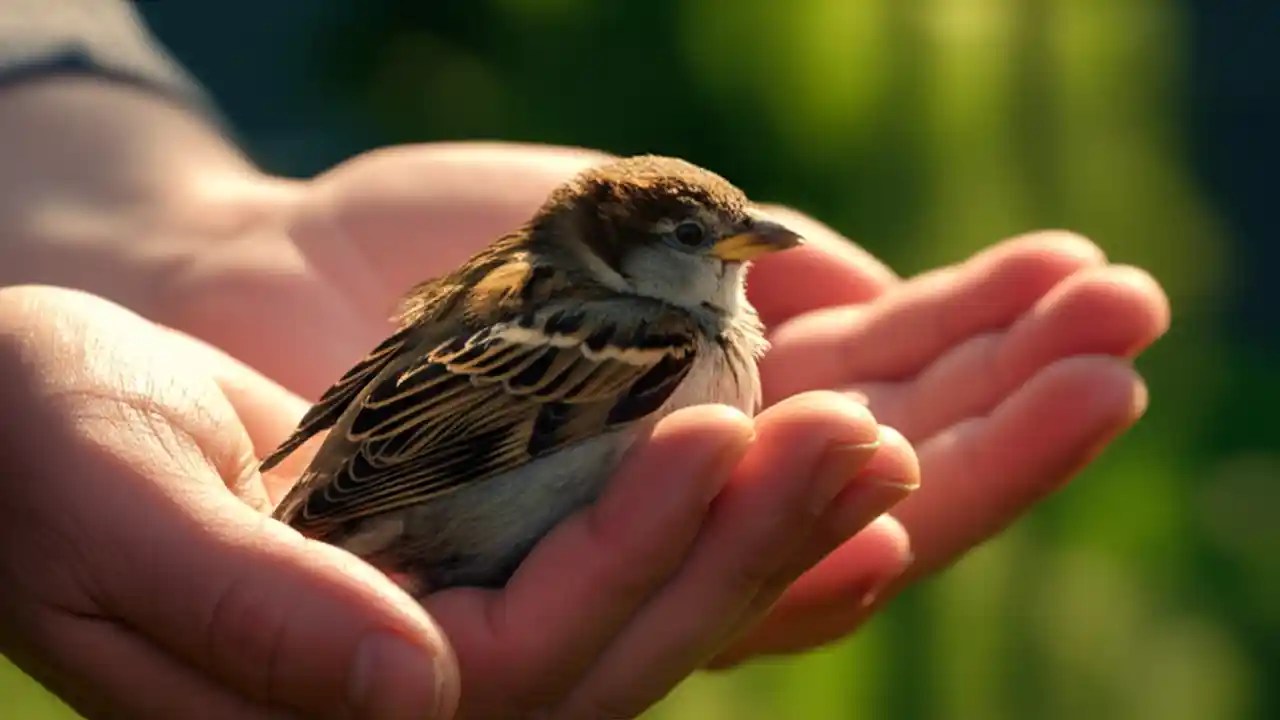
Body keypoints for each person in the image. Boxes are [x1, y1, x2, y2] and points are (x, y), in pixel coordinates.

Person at [0, 2, 1171, 718]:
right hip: (439, 487)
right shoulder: (646, 335)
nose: (737, 260)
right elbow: (474, 417)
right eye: (695, 246)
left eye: (735, 237)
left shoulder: (603, 300)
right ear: (620, 253)